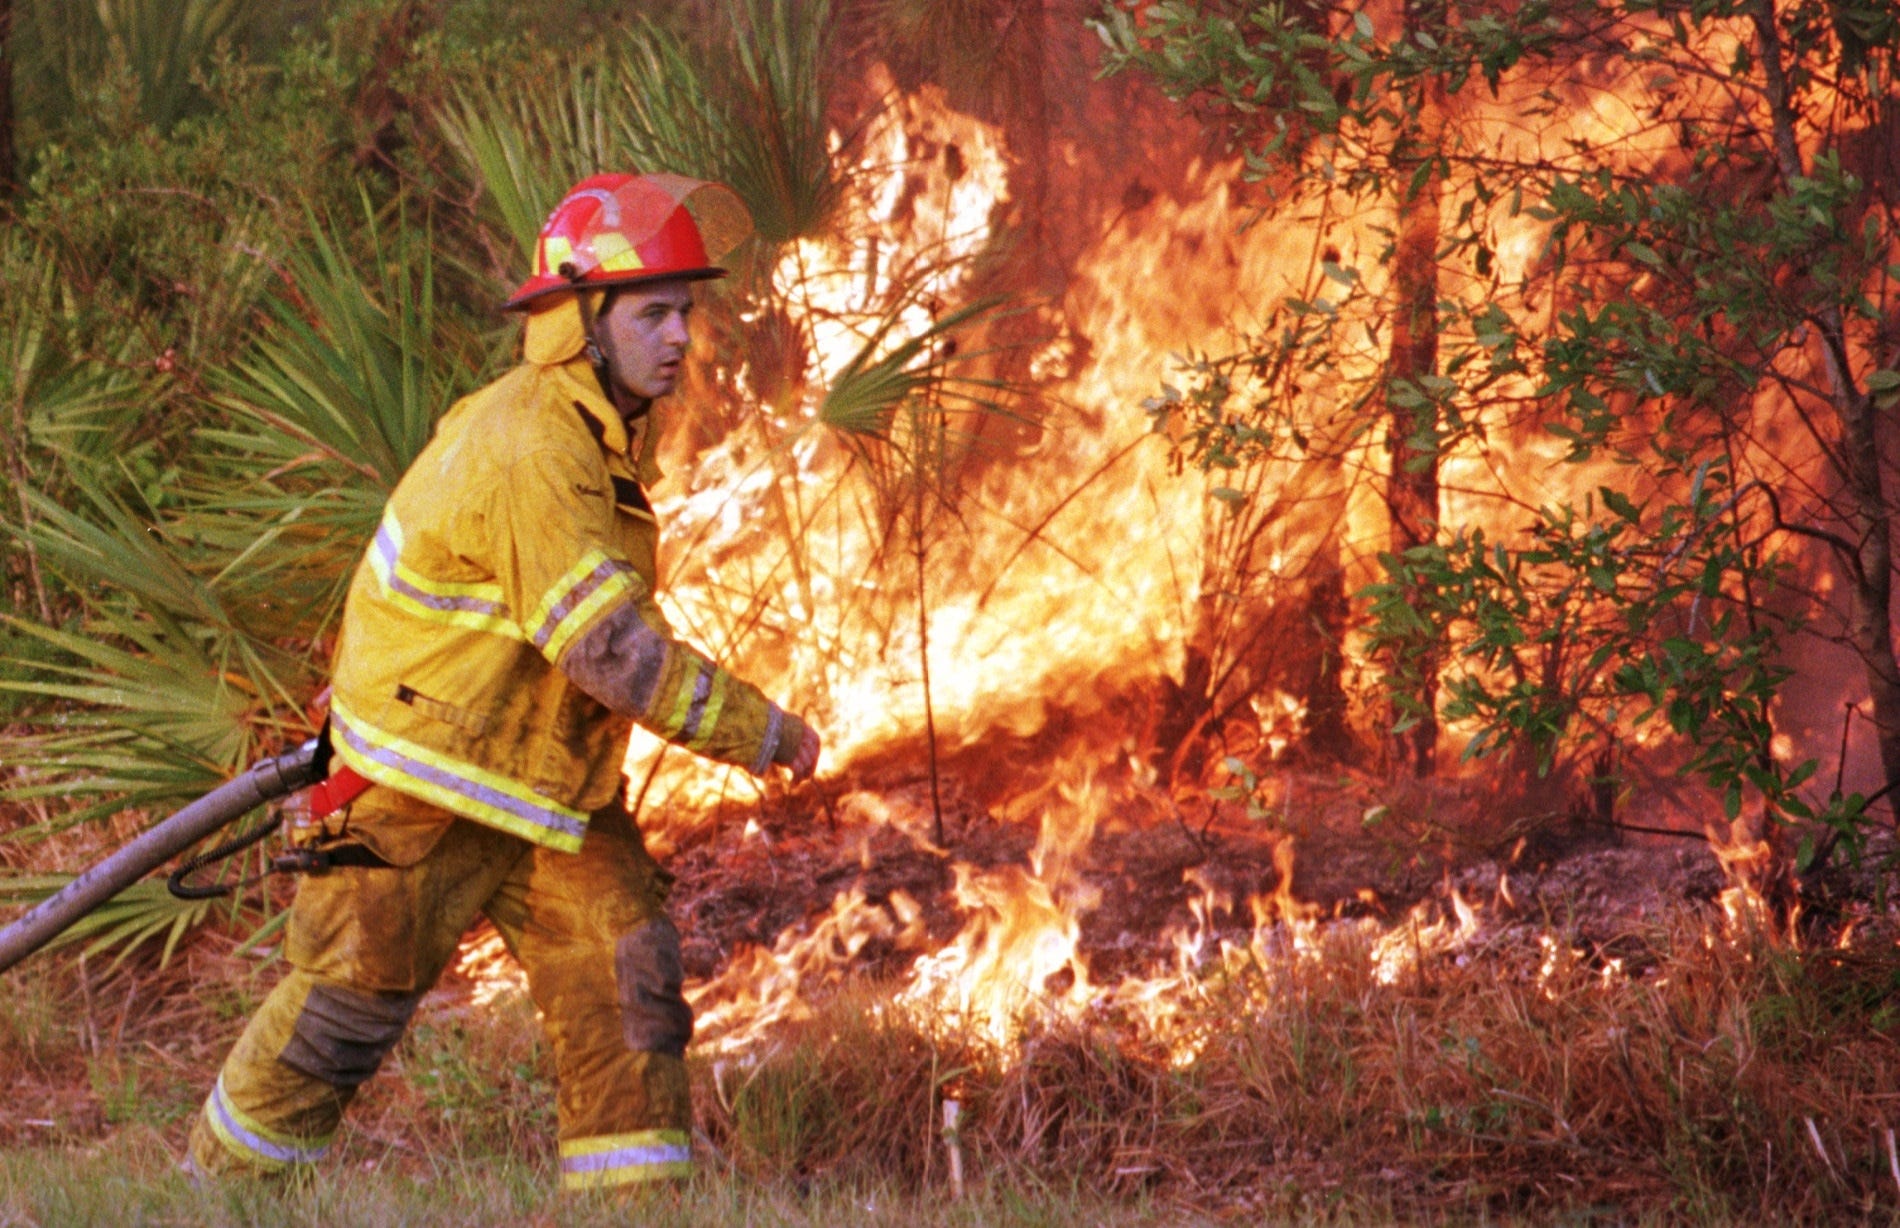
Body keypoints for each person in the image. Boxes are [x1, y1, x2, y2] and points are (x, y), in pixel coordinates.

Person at [187, 172, 820, 1192]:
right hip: (418, 776)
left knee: (629, 981)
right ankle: (215, 1200)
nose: (678, 337)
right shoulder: (534, 441)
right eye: (653, 313)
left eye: (684, 314)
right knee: (346, 1006)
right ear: (578, 320)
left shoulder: (587, 429)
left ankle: (637, 1210)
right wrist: (764, 731)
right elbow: (610, 653)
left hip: (536, 779)